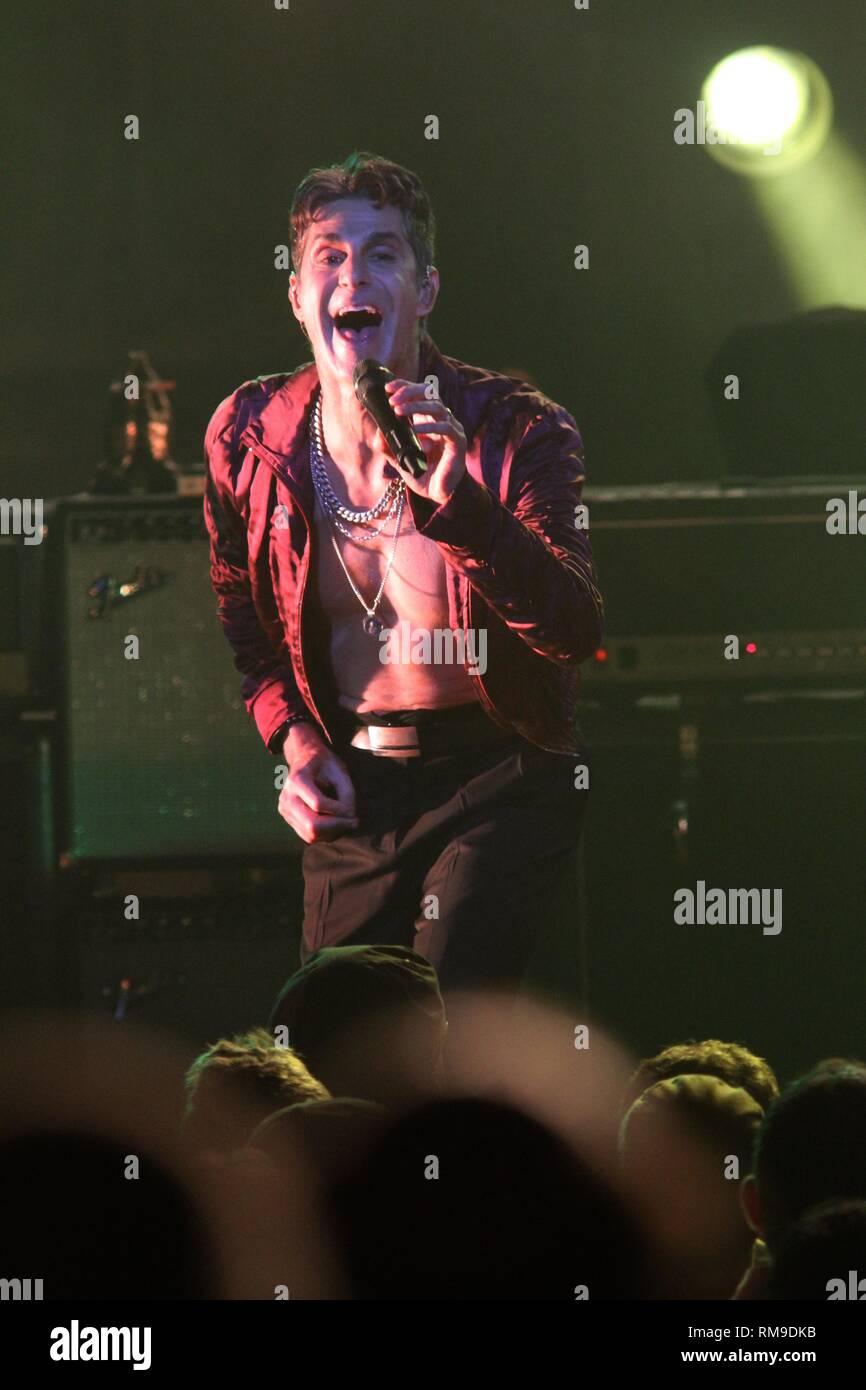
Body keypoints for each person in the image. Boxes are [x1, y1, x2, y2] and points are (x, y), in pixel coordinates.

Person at [203, 150, 603, 995]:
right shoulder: (247, 438)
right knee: (337, 1049)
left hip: (497, 775)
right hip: (360, 785)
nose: (355, 274)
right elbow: (247, 628)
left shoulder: (516, 429)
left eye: (383, 253)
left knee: (444, 1024)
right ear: (298, 295)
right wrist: (297, 741)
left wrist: (459, 504)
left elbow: (574, 628)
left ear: (423, 293)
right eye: (331, 256)